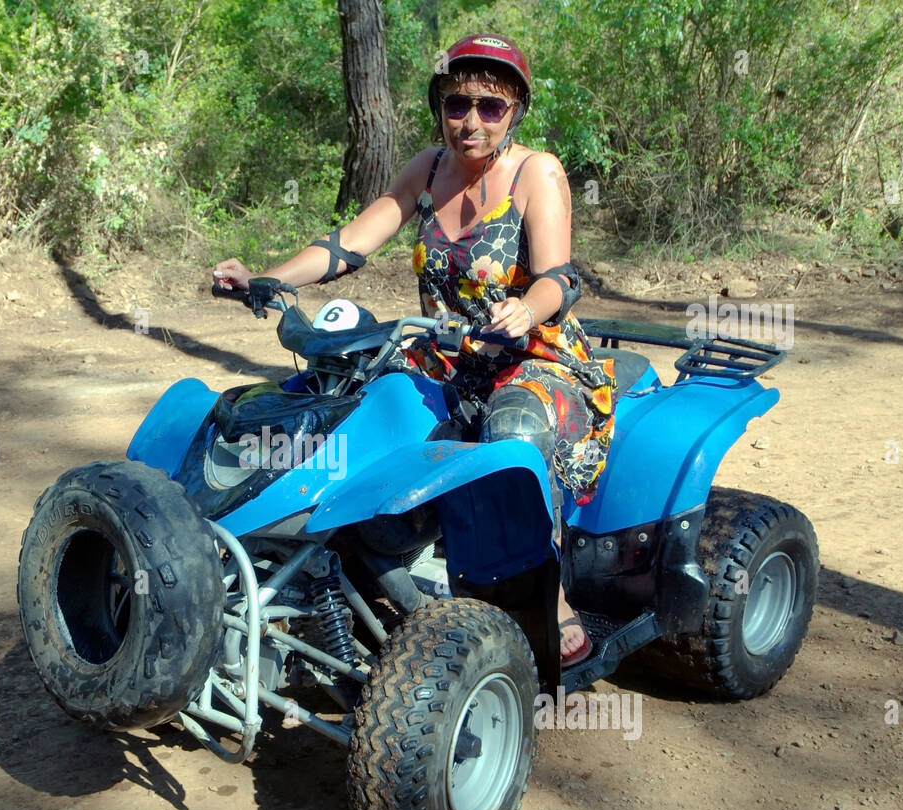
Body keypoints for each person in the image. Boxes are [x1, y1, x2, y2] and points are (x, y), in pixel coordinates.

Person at [212, 34, 616, 668]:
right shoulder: (427, 169)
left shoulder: (538, 172)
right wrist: (271, 279)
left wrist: (525, 308)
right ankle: (348, 563)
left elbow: (560, 278)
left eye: (491, 106)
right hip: (443, 357)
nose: (472, 121)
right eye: (458, 104)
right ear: (441, 106)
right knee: (348, 404)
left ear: (515, 113)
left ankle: (551, 596)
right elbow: (349, 244)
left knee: (511, 429)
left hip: (534, 357)